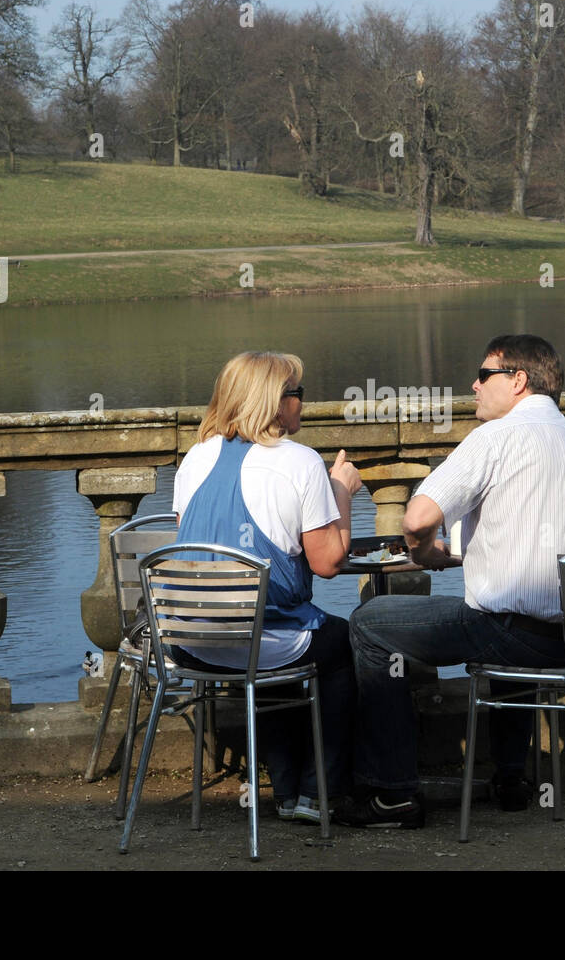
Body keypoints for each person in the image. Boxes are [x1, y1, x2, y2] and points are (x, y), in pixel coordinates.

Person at [338, 334, 565, 829]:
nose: (474, 385)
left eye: (484, 376)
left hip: (522, 634)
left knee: (370, 623)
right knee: (514, 613)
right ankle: (511, 779)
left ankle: (391, 793)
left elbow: (418, 519)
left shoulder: (494, 438)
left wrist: (424, 555)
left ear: (518, 380)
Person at [170, 351, 361, 822]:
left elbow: (190, 541)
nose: (303, 403)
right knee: (340, 642)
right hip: (259, 642)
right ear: (274, 403)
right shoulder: (300, 462)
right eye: (297, 394)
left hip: (191, 642)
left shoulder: (195, 457)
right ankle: (321, 793)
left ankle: (286, 790)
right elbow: (329, 562)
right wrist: (341, 491)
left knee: (274, 640)